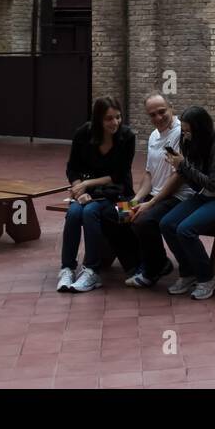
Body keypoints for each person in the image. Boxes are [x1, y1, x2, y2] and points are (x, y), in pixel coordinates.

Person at [159, 106, 215, 300]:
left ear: (200, 129)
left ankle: (208, 277)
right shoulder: (191, 142)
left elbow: (213, 183)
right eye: (183, 130)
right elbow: (196, 183)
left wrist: (183, 166)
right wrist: (181, 167)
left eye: (188, 131)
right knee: (167, 223)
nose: (185, 135)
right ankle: (188, 272)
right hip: (205, 196)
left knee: (185, 229)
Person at [57, 96, 136, 293]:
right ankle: (67, 268)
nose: (115, 123)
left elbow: (119, 175)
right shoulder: (83, 134)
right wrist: (77, 188)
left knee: (89, 212)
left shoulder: (127, 137)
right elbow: (72, 168)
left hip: (120, 196)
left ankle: (92, 271)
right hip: (87, 193)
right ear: (98, 119)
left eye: (118, 117)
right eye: (109, 118)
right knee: (75, 213)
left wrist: (86, 185)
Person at [118, 94, 193, 288]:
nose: (158, 118)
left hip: (178, 196)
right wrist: (136, 200)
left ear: (171, 108)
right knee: (121, 215)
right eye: (152, 114)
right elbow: (149, 174)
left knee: (145, 220)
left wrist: (150, 203)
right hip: (157, 194)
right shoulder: (153, 135)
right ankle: (153, 263)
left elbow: (179, 176)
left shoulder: (179, 134)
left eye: (162, 112)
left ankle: (152, 271)